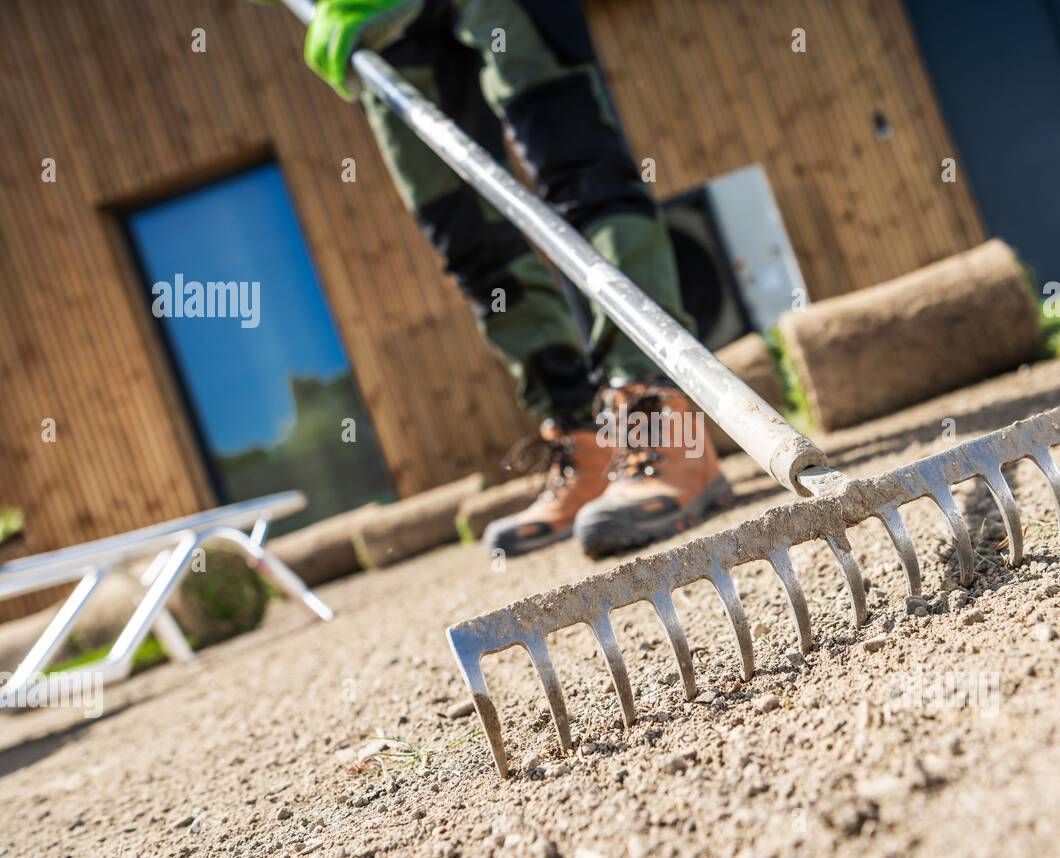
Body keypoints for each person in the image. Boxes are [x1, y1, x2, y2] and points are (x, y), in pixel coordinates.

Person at [282, 0, 731, 558]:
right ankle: (585, 446)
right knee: (471, 239)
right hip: (373, 21)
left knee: (578, 168)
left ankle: (659, 416)